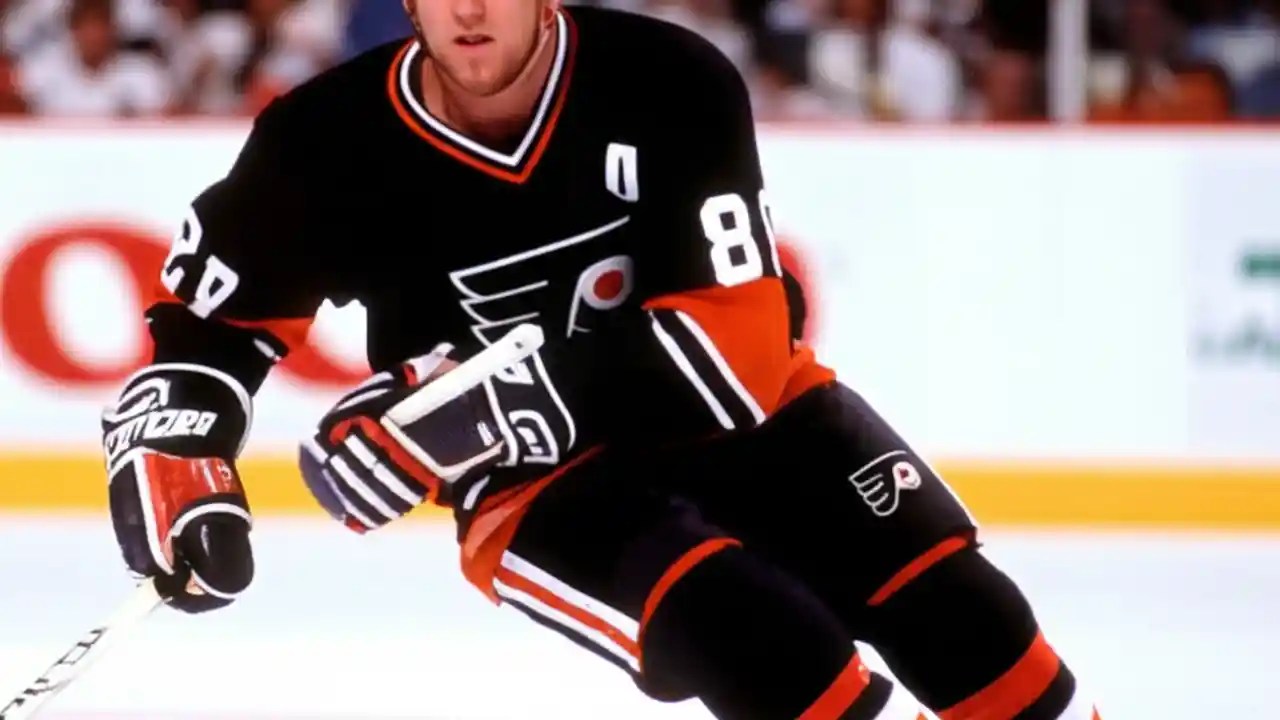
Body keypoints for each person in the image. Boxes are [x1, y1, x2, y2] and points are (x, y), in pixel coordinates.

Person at [99, 1, 1102, 718]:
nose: (469, 11)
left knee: (965, 621)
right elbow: (210, 332)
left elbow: (743, 342)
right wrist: (177, 459)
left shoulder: (666, 78)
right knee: (760, 644)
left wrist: (473, 405)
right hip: (541, 486)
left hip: (739, 416)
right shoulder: (319, 143)